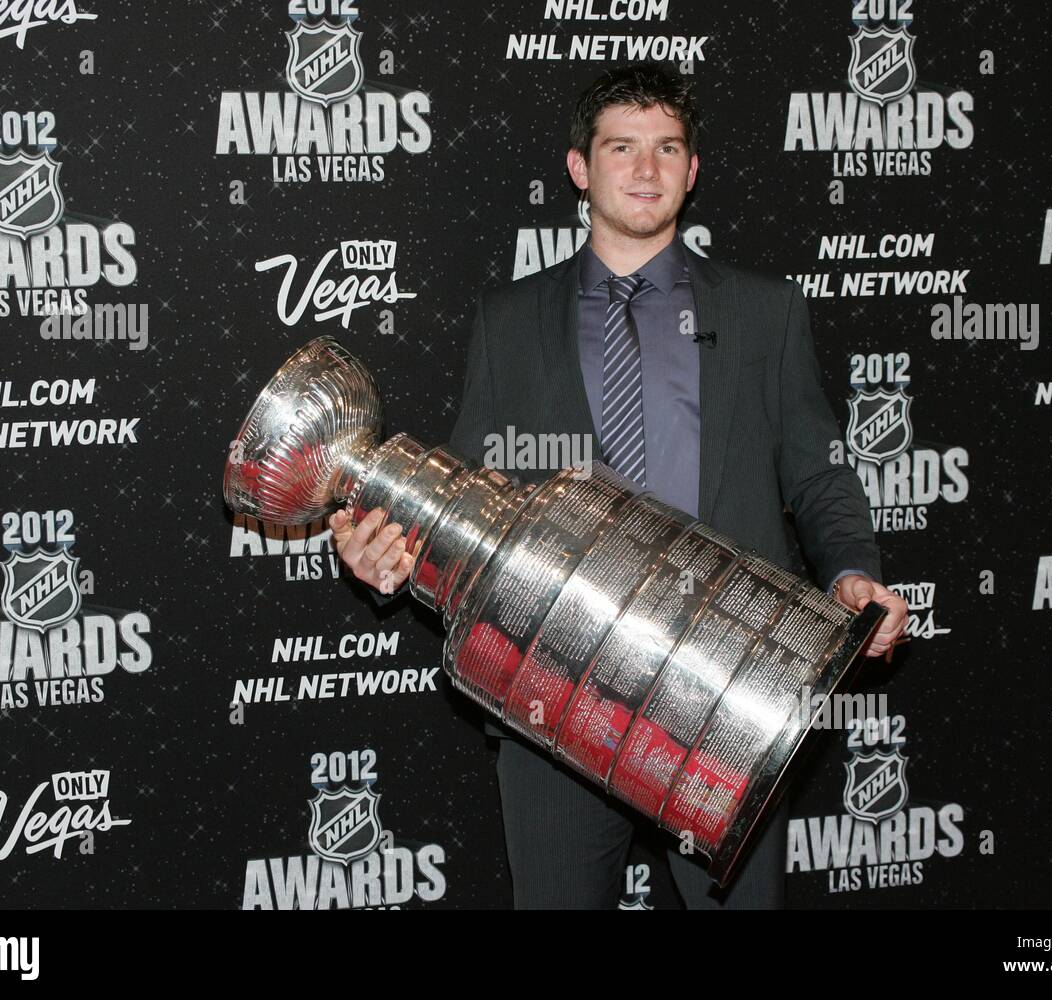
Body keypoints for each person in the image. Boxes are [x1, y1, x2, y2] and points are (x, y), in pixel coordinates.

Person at [327, 64, 908, 909]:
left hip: (731, 699)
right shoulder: (510, 319)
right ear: (579, 167)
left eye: (668, 149)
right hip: (554, 691)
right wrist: (386, 552)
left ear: (693, 170)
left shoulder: (764, 312)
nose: (646, 170)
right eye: (622, 148)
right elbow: (462, 496)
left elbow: (819, 474)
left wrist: (851, 572)